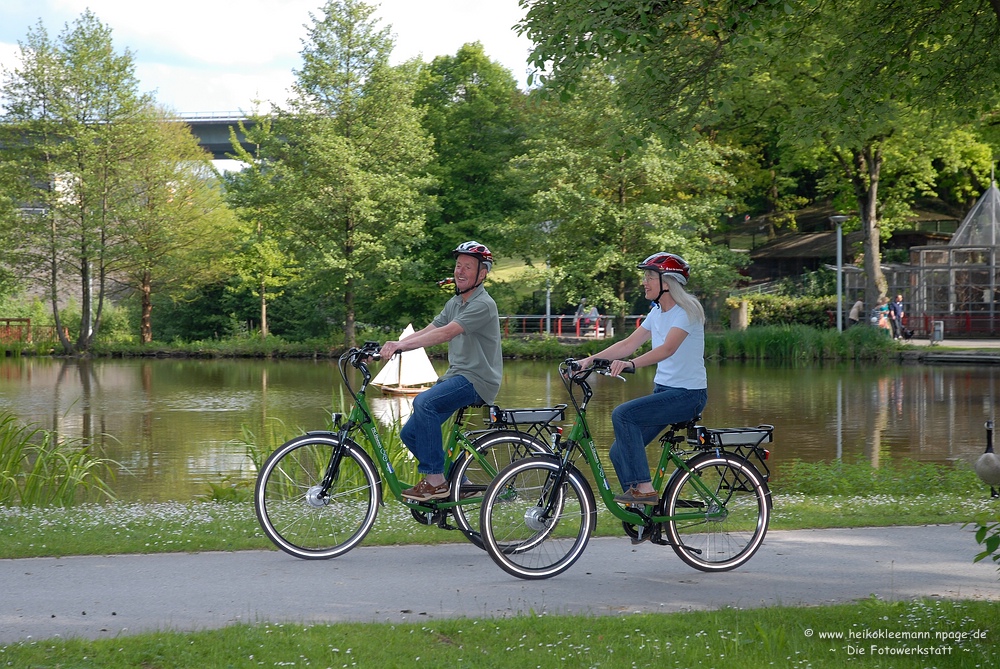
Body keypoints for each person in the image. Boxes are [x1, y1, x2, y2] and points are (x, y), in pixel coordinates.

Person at [576, 252, 708, 505]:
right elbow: (628, 343)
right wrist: (589, 361)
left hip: (688, 395)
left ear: (667, 282)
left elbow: (667, 349)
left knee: (623, 415)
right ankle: (640, 510)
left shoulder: (687, 311)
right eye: (645, 276)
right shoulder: (657, 312)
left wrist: (631, 364)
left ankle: (645, 489)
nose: (644, 282)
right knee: (618, 452)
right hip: (665, 392)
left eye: (650, 277)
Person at [377, 241, 502, 501]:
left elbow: (445, 334)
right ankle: (458, 481)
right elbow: (430, 330)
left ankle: (436, 482)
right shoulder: (455, 303)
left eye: (468, 266)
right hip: (457, 376)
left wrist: (401, 345)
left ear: (482, 273)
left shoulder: (483, 304)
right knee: (410, 433)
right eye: (458, 265)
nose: (460, 271)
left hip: (478, 380)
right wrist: (393, 346)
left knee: (425, 402)